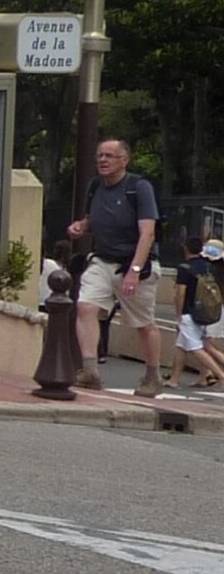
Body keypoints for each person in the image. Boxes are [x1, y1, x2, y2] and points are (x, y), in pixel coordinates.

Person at [65, 136, 164, 396]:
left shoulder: (139, 188)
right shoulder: (95, 186)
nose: (103, 160)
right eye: (100, 155)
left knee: (143, 323)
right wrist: (81, 227)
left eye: (109, 156)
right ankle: (89, 370)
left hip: (133, 263)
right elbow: (91, 219)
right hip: (102, 259)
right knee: (85, 306)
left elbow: (148, 233)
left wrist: (134, 271)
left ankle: (152, 376)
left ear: (124, 160)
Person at [171, 235, 224, 389]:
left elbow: (180, 293)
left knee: (197, 347)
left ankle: (220, 375)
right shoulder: (209, 268)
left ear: (185, 248)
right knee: (182, 345)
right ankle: (175, 378)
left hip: (189, 312)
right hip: (208, 311)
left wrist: (178, 313)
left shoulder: (185, 268)